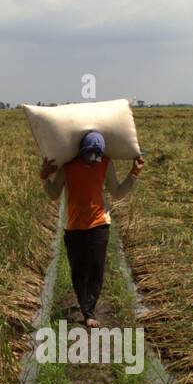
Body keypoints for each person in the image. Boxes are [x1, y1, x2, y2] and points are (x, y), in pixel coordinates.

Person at [40, 131, 144, 328]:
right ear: (81, 152)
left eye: (96, 157)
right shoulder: (68, 167)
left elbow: (117, 192)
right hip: (74, 226)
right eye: (89, 157)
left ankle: (88, 311)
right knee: (79, 271)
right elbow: (54, 194)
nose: (92, 162)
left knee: (96, 269)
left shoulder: (105, 164)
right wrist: (44, 177)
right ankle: (83, 304)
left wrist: (134, 173)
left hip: (99, 224)